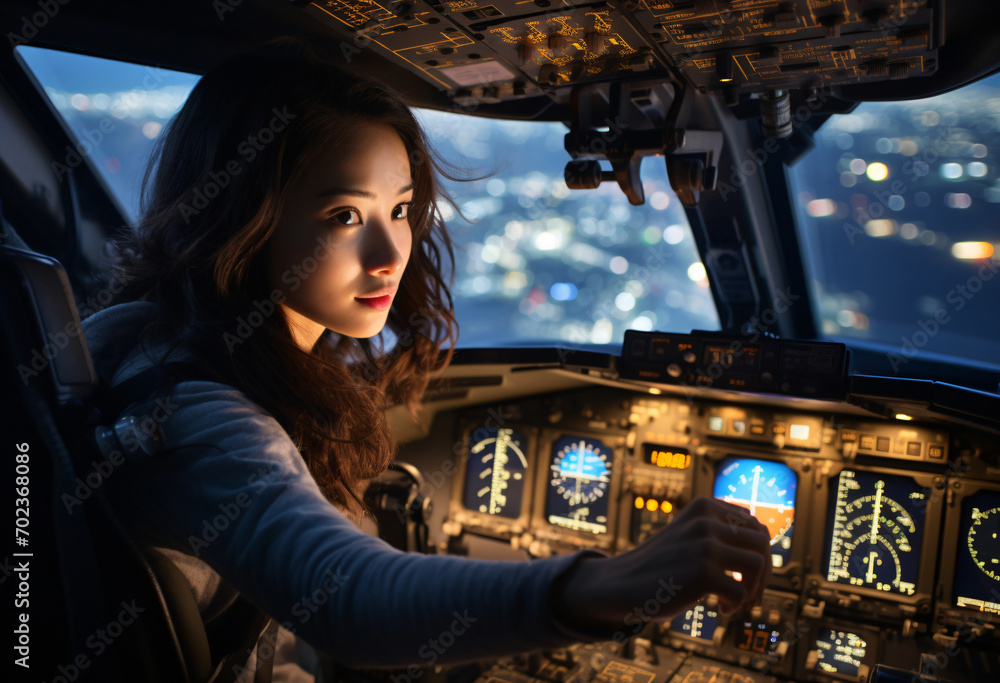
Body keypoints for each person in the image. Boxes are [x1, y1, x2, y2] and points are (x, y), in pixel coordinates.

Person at [81, 38, 772, 681]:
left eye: (401, 209)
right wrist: (611, 581)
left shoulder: (148, 344)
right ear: (243, 218)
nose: (390, 254)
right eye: (344, 216)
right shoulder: (196, 416)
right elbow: (344, 595)